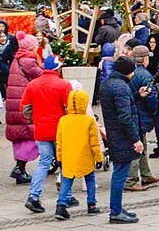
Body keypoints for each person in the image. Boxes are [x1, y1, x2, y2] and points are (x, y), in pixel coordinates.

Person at [22, 53, 73, 212]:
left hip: (41, 129)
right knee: (65, 164)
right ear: (59, 67)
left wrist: (33, 120)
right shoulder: (64, 85)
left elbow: (25, 108)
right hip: (60, 130)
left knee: (44, 163)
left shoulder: (33, 84)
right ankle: (66, 196)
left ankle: (33, 196)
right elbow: (69, 109)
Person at [97, 54, 143, 224]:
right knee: (120, 174)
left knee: (119, 173)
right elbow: (125, 116)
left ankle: (117, 208)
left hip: (115, 133)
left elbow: (123, 104)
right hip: (122, 137)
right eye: (132, 71)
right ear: (126, 72)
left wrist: (137, 95)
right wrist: (136, 139)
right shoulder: (121, 87)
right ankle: (115, 211)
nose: (134, 73)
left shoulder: (109, 84)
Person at [53, 87, 103, 220]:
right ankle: (91, 205)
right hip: (85, 156)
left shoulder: (63, 120)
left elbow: (59, 142)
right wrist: (99, 158)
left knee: (66, 181)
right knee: (90, 179)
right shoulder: (89, 121)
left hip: (68, 157)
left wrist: (59, 158)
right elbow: (94, 143)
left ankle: (61, 205)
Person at [5, 33, 42, 184]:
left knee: (20, 135)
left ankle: (20, 167)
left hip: (15, 102)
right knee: (31, 135)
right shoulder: (28, 60)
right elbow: (41, 76)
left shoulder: (17, 58)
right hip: (25, 103)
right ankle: (20, 167)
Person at [124, 46, 159, 191]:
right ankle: (131, 180)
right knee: (138, 146)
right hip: (140, 114)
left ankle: (146, 174)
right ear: (145, 59)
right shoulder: (145, 75)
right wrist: (154, 111)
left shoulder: (129, 73)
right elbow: (151, 97)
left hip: (133, 113)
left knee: (142, 144)